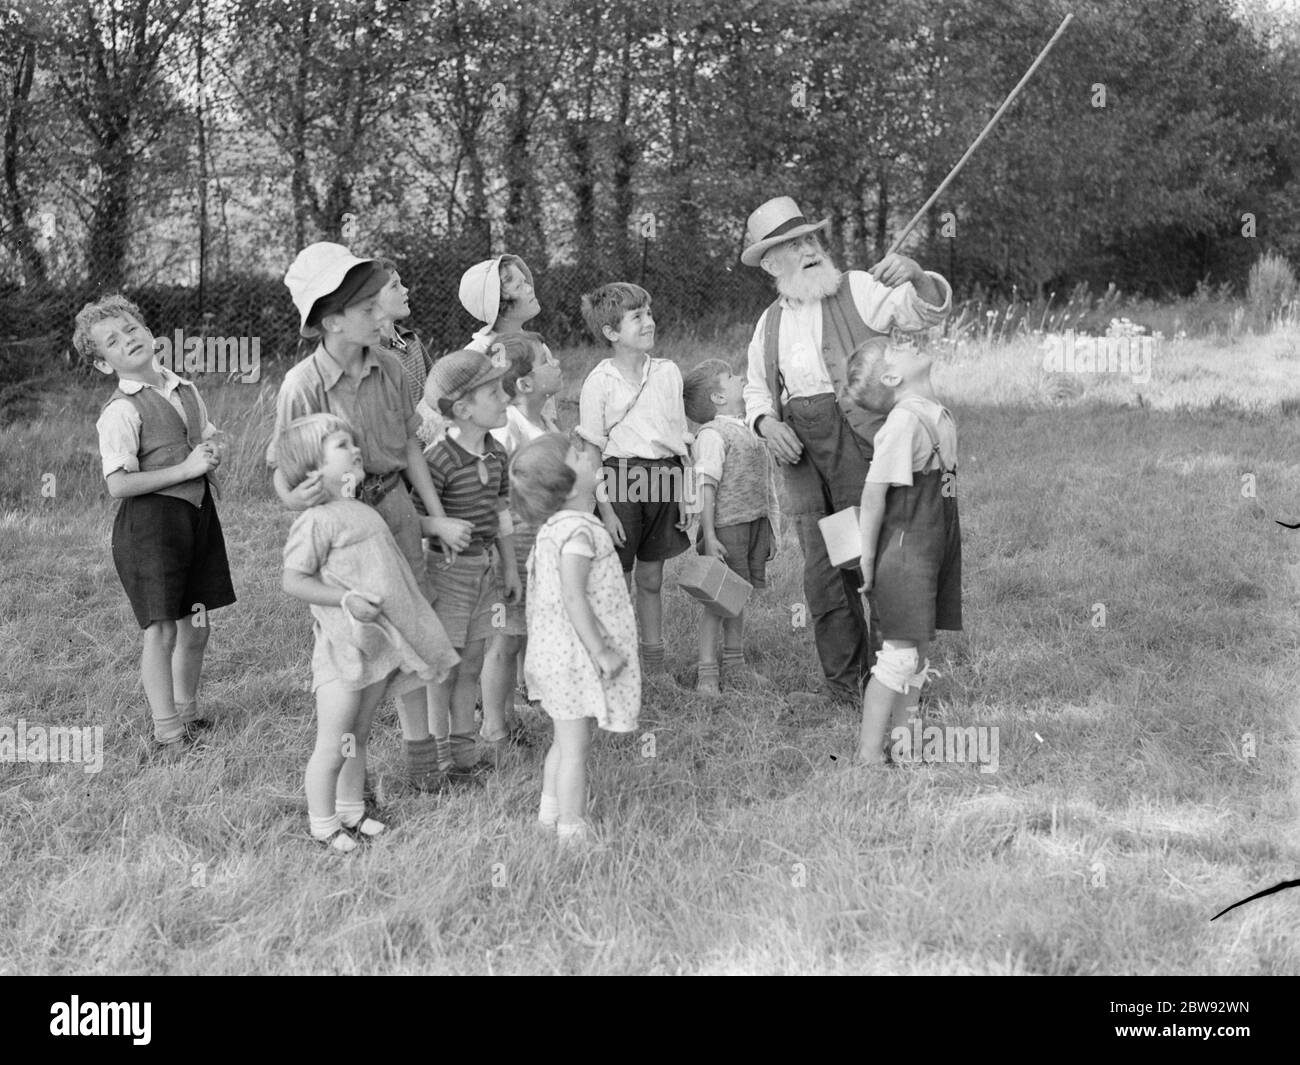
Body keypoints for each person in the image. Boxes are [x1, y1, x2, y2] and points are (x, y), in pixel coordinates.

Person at [270, 242, 472, 791]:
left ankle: (423, 767)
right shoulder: (302, 385)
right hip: (344, 533)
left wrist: (434, 519)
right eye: (366, 309)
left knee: (409, 630)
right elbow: (284, 477)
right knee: (356, 654)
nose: (381, 314)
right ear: (330, 321)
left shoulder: (389, 363)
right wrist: (301, 503)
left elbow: (409, 446)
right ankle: (348, 792)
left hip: (398, 511)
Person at [741, 196, 951, 707]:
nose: (809, 250)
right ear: (771, 263)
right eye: (793, 246)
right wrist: (767, 423)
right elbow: (754, 392)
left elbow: (921, 312)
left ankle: (897, 679)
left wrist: (917, 274)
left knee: (873, 557)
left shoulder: (856, 287)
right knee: (825, 569)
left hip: (859, 445)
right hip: (805, 463)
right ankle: (846, 686)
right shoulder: (767, 324)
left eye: (811, 239)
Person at [278, 414, 460, 851]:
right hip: (343, 650)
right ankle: (322, 826)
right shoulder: (315, 521)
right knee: (332, 742)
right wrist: (344, 600)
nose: (355, 448)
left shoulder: (362, 510)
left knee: (356, 736)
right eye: (341, 444)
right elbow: (292, 579)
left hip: (373, 646)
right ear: (313, 470)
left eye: (354, 442)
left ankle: (351, 811)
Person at [77, 294, 235, 755]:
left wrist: (213, 449)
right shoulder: (120, 411)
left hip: (197, 517)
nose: (127, 340)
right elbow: (118, 485)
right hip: (150, 528)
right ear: (104, 364)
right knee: (162, 630)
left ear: (148, 333)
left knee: (197, 624)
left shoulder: (184, 387)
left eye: (131, 329)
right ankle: (167, 732)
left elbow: (204, 436)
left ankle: (187, 713)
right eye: (112, 341)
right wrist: (186, 470)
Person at [510, 433, 640, 844]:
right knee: (575, 751)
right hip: (575, 659)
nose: (588, 454)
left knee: (564, 743)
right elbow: (572, 594)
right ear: (566, 485)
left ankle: (549, 816)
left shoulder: (553, 529)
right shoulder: (580, 532)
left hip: (556, 657)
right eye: (578, 454)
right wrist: (601, 649)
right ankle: (572, 831)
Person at [845, 336, 961, 764]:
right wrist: (869, 560)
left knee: (918, 655)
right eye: (899, 348)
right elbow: (874, 495)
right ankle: (868, 755)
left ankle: (904, 741)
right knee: (898, 658)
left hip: (931, 547)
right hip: (904, 552)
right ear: (893, 377)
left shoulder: (936, 414)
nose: (911, 343)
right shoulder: (903, 423)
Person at [576, 282, 691, 673]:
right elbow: (592, 452)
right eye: (637, 317)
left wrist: (685, 492)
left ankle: (655, 664)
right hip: (621, 479)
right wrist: (604, 510)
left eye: (649, 313)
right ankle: (615, 663)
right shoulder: (600, 382)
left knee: (653, 575)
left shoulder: (668, 372)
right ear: (611, 333)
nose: (649, 322)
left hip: (664, 479)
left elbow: (679, 438)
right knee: (616, 579)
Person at [421, 349, 522, 773]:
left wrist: (510, 564)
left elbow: (500, 510)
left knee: (472, 664)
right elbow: (413, 517)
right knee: (445, 668)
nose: (506, 398)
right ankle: (436, 755)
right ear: (462, 408)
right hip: (447, 574)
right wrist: (439, 526)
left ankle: (465, 757)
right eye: (495, 392)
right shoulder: (438, 458)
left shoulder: (496, 452)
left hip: (485, 571)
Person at [482, 332, 564, 739]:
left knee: (526, 631)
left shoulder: (545, 420)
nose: (558, 364)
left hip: (542, 546)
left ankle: (515, 713)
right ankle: (495, 726)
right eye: (547, 360)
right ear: (525, 384)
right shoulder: (508, 426)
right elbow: (495, 490)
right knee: (505, 638)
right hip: (514, 545)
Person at [681, 358, 778, 695]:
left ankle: (735, 663)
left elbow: (765, 485)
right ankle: (707, 671)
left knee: (737, 596)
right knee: (717, 599)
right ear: (718, 398)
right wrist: (708, 535)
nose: (740, 378)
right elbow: (705, 484)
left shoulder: (746, 428)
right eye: (732, 377)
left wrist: (770, 529)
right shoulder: (712, 435)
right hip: (725, 529)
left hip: (752, 524)